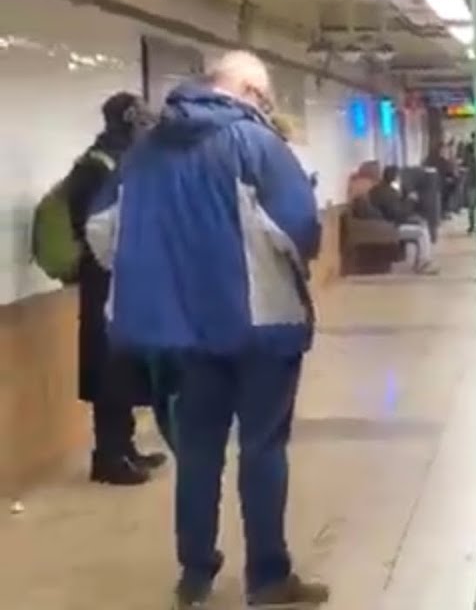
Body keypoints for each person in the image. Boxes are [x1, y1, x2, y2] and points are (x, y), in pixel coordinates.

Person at [84, 51, 329, 609]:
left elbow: (101, 233)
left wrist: (160, 277)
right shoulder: (255, 144)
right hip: (261, 326)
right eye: (263, 97)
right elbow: (299, 228)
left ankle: (194, 576)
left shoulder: (143, 153)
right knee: (263, 449)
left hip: (182, 330)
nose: (266, 109)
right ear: (243, 88)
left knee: (197, 453)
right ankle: (268, 578)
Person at [64, 91, 167, 485]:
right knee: (107, 368)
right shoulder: (96, 166)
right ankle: (107, 456)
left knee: (122, 366)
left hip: (121, 278)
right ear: (125, 121)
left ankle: (123, 448)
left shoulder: (122, 160)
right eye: (139, 122)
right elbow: (93, 227)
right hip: (103, 277)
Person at [367, 165, 436, 273]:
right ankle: (423, 264)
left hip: (387, 224)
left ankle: (421, 263)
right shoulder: (388, 193)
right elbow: (398, 214)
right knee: (422, 232)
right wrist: (410, 200)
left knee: (422, 224)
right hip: (392, 228)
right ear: (395, 178)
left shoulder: (377, 190)